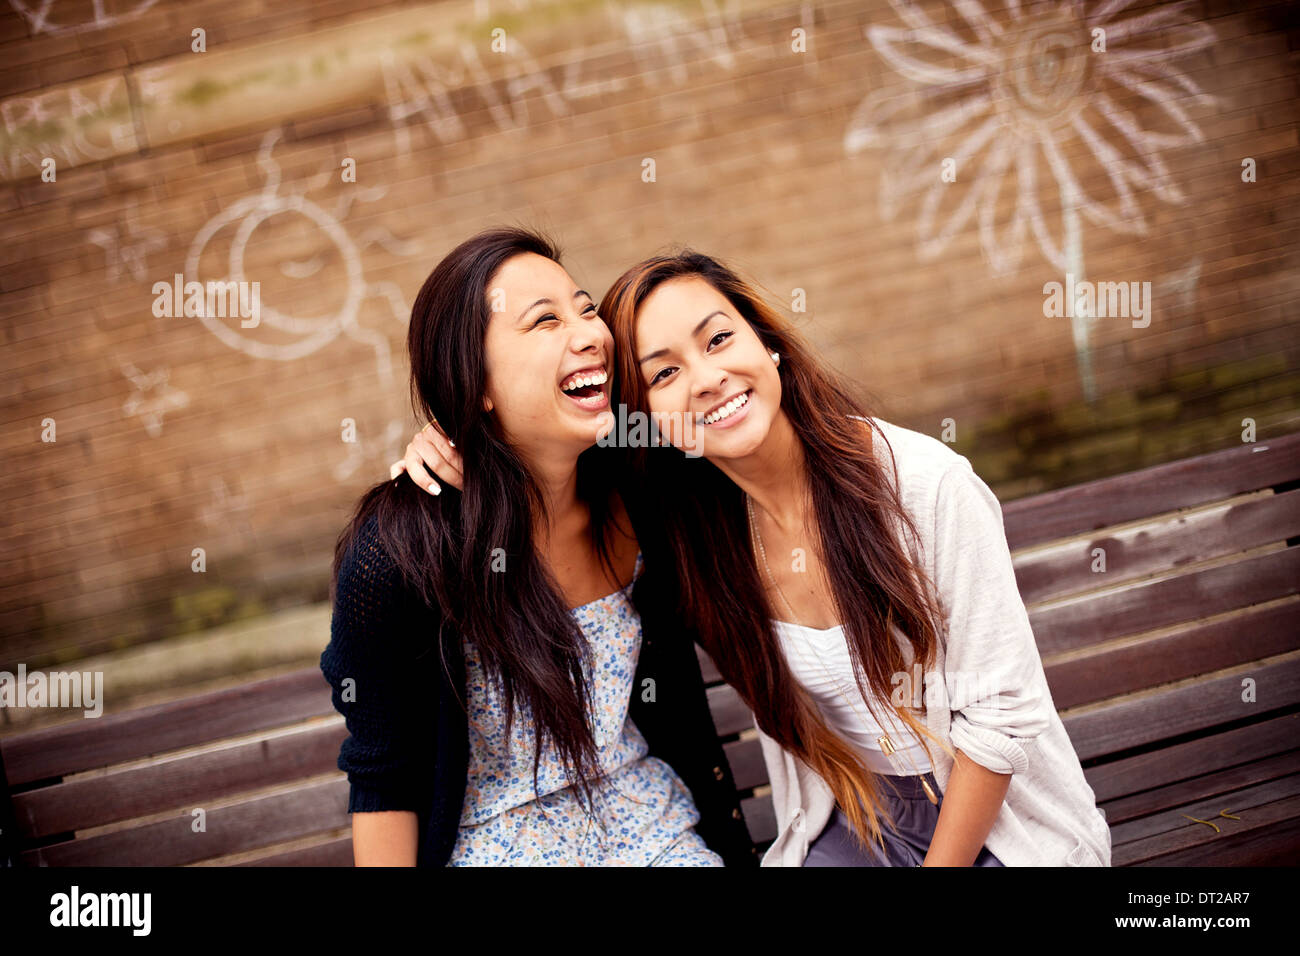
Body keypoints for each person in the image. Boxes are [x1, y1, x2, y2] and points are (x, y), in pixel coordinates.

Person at [397, 247, 1113, 867]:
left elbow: (1001, 722)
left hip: (993, 824)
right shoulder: (690, 528)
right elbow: (542, 451)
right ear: (648, 418)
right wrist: (449, 431)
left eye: (717, 340)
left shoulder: (924, 487)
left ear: (765, 341)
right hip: (857, 821)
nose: (707, 379)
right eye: (665, 375)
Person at [322, 227, 756, 866]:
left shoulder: (641, 487)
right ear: (478, 384)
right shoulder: (398, 558)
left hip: (654, 832)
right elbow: (383, 774)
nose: (590, 333)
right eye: (544, 321)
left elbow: (753, 423)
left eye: (585, 309)